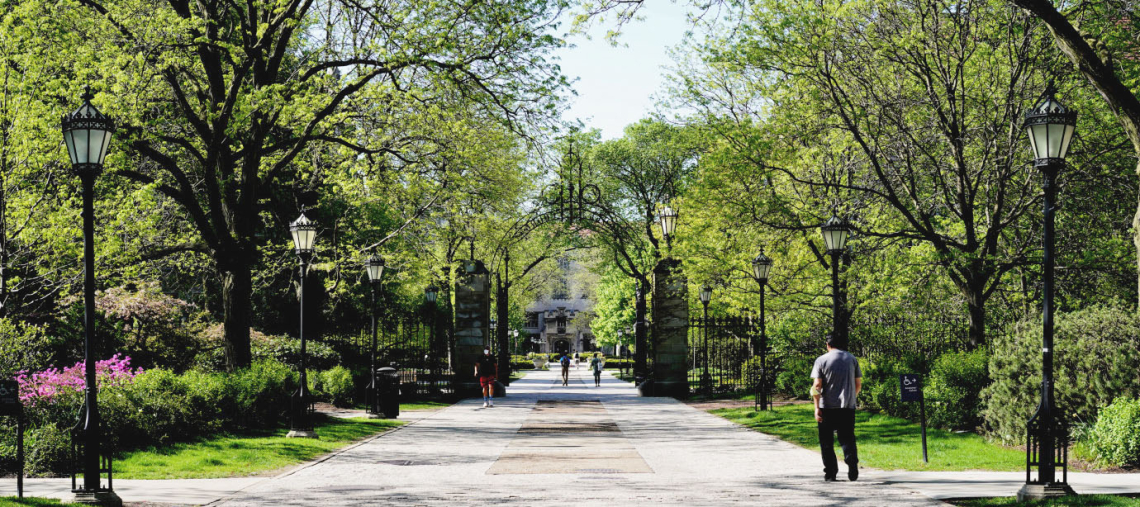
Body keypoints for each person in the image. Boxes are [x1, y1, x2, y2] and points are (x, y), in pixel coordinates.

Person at [810, 333, 862, 482]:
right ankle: (852, 463)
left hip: (827, 407)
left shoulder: (821, 360)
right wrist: (851, 397)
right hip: (847, 406)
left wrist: (816, 407)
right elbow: (858, 384)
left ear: (827, 344)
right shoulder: (851, 359)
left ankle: (831, 472)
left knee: (826, 441)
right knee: (847, 438)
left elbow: (817, 385)